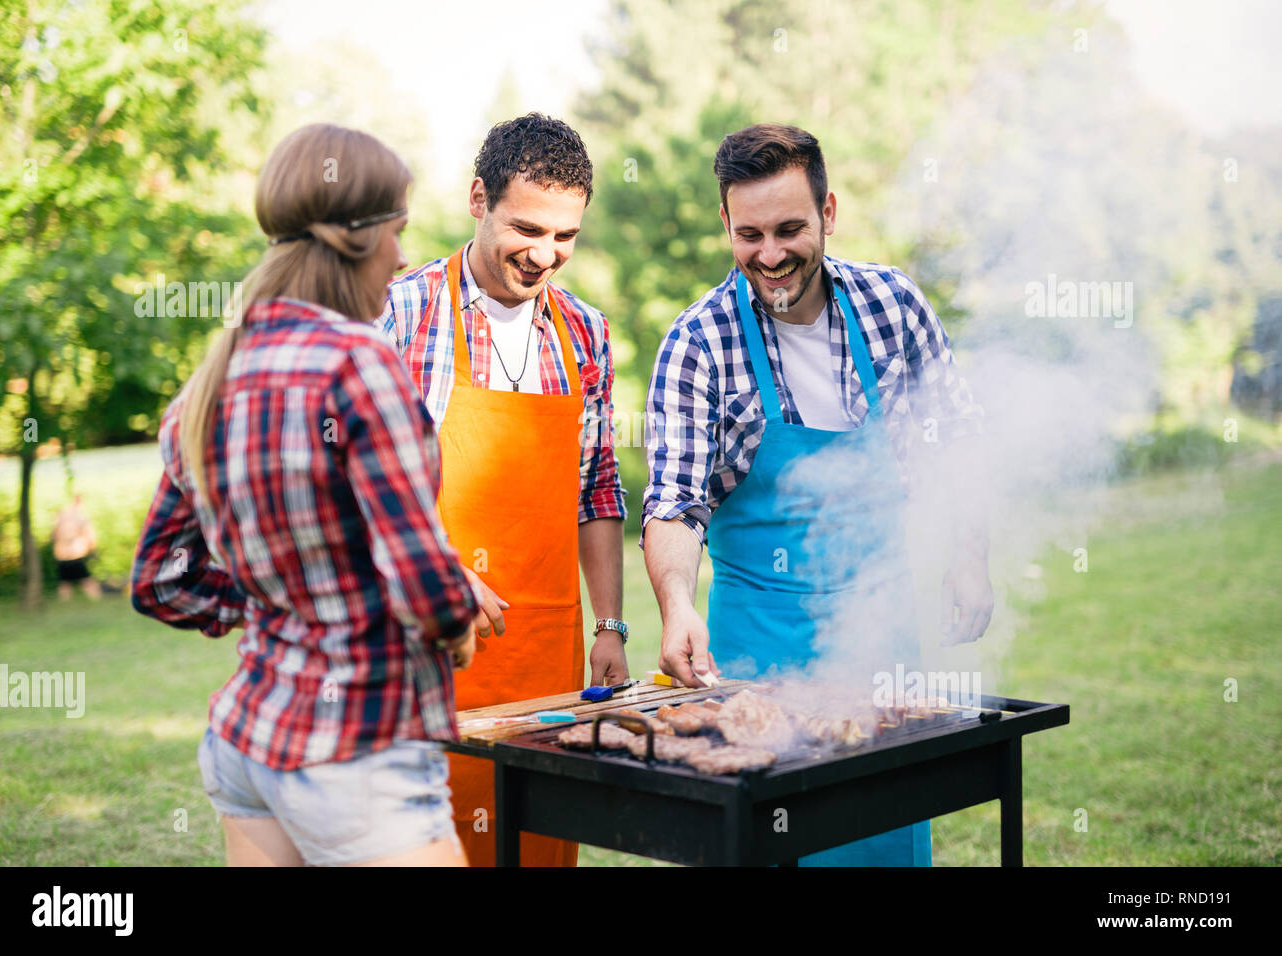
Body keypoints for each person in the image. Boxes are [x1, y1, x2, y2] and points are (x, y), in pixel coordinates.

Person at [642, 124, 993, 866]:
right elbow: (674, 500)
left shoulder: (891, 305)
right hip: (756, 659)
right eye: (750, 234)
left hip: (880, 638)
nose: (770, 255)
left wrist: (969, 555)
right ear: (726, 227)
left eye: (791, 229)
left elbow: (953, 440)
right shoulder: (698, 342)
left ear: (829, 212)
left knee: (881, 841)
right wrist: (676, 604)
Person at [131, 124, 480, 867]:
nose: (403, 255)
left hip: (251, 743)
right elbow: (428, 593)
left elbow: (160, 579)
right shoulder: (359, 363)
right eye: (397, 232)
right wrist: (455, 614)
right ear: (357, 238)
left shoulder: (210, 382)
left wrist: (278, 602)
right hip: (360, 751)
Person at [378, 113, 628, 867]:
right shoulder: (400, 311)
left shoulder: (585, 333)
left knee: (538, 848)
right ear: (478, 198)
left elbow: (598, 491)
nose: (545, 255)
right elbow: (351, 488)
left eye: (566, 236)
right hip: (428, 654)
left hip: (546, 661)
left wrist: (609, 626)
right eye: (526, 228)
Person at [53, 495, 101, 600]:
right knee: (86, 579)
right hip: (75, 552)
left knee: (64, 581)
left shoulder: (60, 515)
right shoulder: (81, 516)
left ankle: (65, 603)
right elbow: (90, 534)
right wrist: (93, 550)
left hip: (61, 553)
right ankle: (96, 600)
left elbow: (53, 534)